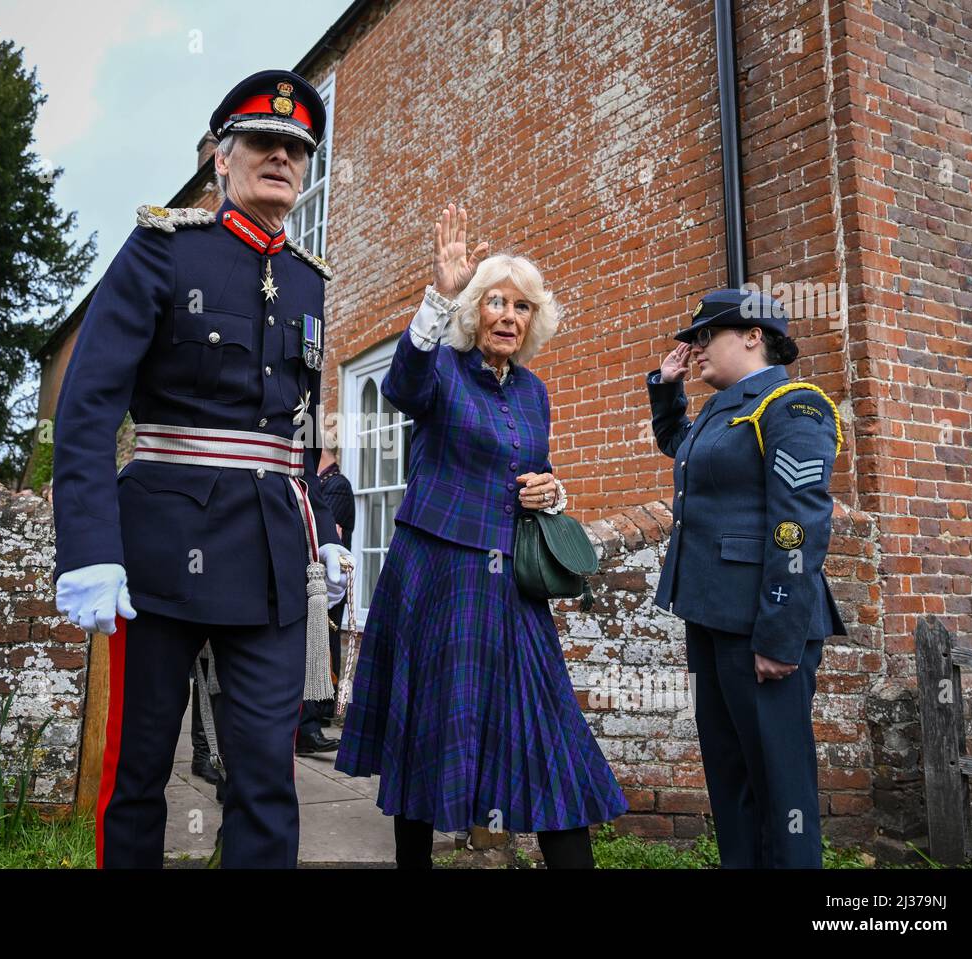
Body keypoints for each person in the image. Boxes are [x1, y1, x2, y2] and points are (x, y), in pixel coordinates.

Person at [51, 70, 352, 869]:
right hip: (158, 548)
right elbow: (85, 407)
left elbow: (301, 431)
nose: (282, 158)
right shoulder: (163, 247)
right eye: (264, 143)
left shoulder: (309, 281)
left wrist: (326, 536)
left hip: (269, 562)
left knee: (265, 775)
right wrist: (88, 546)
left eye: (297, 148)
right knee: (140, 769)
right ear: (223, 158)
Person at [334, 205, 629, 868]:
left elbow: (539, 470)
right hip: (435, 572)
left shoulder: (535, 392)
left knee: (549, 729)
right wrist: (439, 294)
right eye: (495, 301)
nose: (507, 315)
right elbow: (400, 385)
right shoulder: (441, 367)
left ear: (533, 321)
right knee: (426, 732)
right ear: (474, 311)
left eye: (521, 307)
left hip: (513, 590)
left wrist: (551, 491)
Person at [647, 288, 847, 868]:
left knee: (780, 788)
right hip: (710, 617)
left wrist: (780, 632)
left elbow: (799, 525)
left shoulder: (793, 405)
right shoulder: (721, 409)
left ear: (753, 334)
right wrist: (668, 387)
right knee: (730, 781)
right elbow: (682, 451)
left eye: (706, 336)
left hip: (763, 625)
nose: (695, 348)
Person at [296, 445, 355, 754]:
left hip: (327, 580)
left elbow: (327, 529)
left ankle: (311, 722)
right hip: (311, 578)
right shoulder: (321, 483)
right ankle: (305, 726)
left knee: (321, 650)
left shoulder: (336, 485)